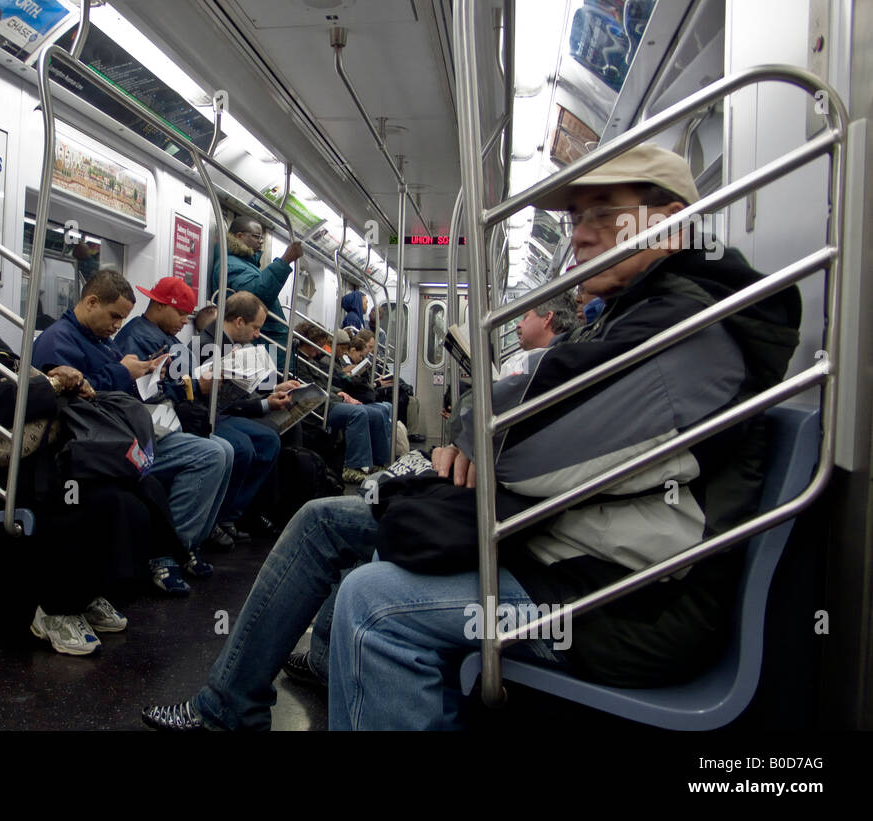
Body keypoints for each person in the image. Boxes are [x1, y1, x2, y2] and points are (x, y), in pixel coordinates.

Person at [140, 144, 801, 730]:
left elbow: (534, 444)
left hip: (625, 599)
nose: (584, 237)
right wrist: (471, 435)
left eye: (604, 215)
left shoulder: (694, 332)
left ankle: (302, 667)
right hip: (573, 544)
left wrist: (475, 438)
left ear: (668, 219)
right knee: (327, 519)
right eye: (578, 221)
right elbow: (532, 409)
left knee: (376, 602)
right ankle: (228, 706)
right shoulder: (645, 311)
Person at [0, 259, 179, 656]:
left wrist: (64, 385)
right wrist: (52, 383)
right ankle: (55, 608)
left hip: (24, 458)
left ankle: (89, 591)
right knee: (105, 501)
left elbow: (16, 390)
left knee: (141, 484)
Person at [31, 266, 233, 592]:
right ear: (92, 302)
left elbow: (116, 384)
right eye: (113, 316)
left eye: (122, 319)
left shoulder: (100, 340)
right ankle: (167, 554)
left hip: (125, 426)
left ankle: (186, 544)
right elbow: (73, 397)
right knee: (208, 454)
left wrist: (143, 373)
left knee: (224, 449)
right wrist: (125, 372)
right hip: (95, 442)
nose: (117, 326)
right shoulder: (58, 342)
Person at [140, 289, 293, 542]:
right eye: (255, 328)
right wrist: (264, 404)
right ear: (240, 321)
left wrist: (273, 390)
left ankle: (235, 512)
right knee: (243, 447)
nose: (257, 335)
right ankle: (221, 516)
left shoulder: (234, 346)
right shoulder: (203, 346)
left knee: (270, 438)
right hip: (201, 414)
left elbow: (243, 389)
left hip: (222, 410)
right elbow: (196, 392)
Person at [287, 323, 391, 483]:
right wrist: (341, 397)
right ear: (306, 343)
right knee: (358, 413)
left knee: (376, 414)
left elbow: (326, 383)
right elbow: (313, 390)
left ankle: (378, 463)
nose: (319, 350)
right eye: (317, 346)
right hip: (318, 406)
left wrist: (341, 394)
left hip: (329, 399)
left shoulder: (312, 360)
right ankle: (353, 467)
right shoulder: (298, 362)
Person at [208, 216, 303, 368]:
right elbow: (255, 295)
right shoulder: (230, 265)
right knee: (269, 387)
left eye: (262, 238)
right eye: (256, 236)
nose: (260, 241)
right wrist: (285, 261)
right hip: (261, 342)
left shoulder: (245, 264)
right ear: (239, 236)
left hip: (268, 342)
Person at [497, 291, 578, 379]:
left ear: (547, 318)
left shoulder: (528, 362)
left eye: (525, 317)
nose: (518, 325)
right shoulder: (572, 353)